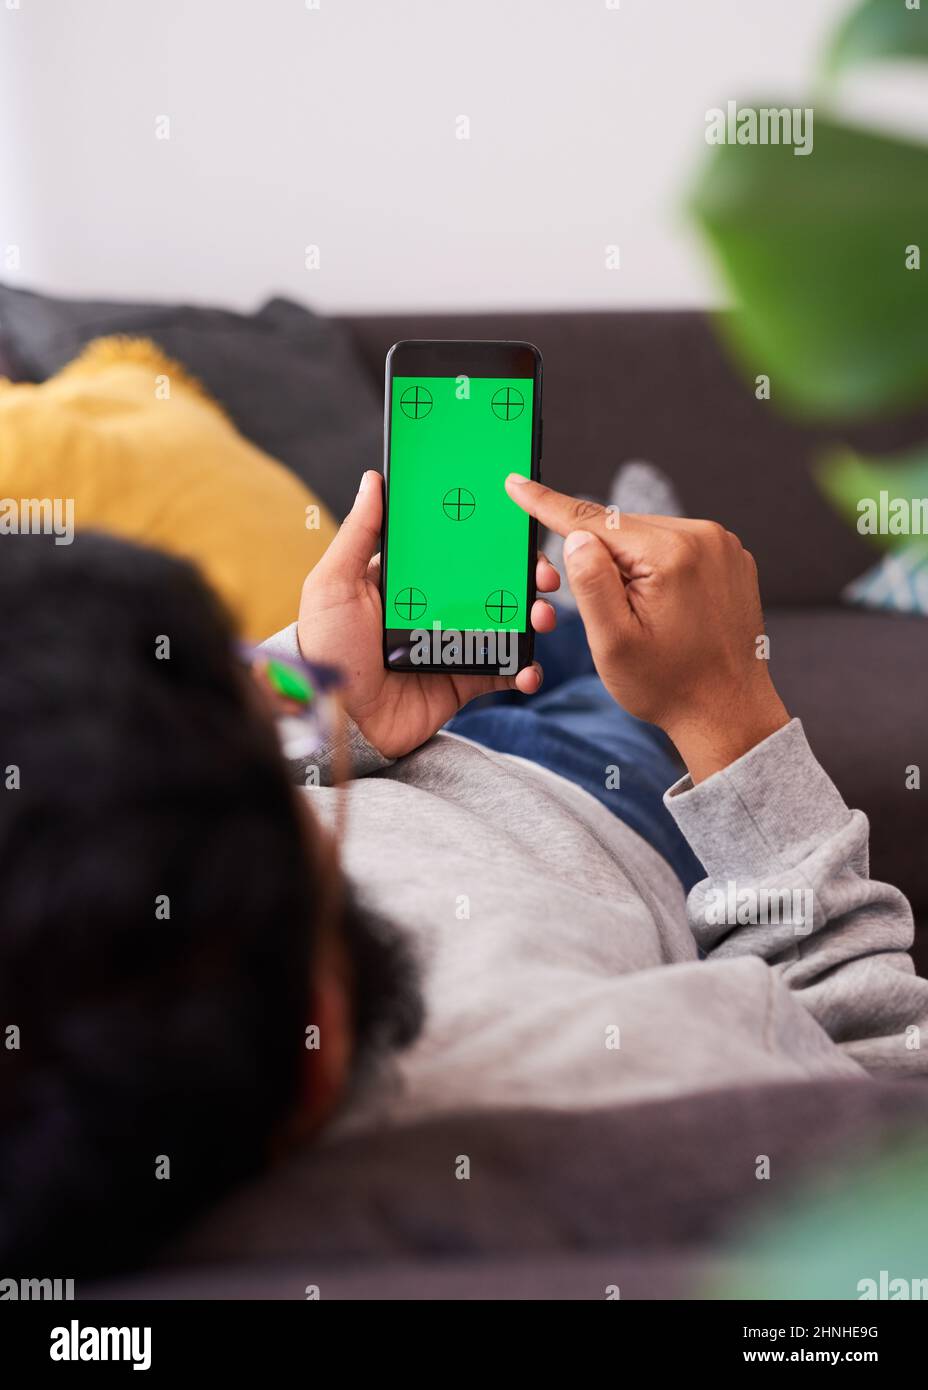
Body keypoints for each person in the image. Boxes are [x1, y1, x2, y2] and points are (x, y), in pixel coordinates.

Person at [1, 469, 924, 1278]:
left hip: (388, 721)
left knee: (524, 626)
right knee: (598, 677)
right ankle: (617, 561)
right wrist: (727, 707)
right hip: (588, 796)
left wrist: (323, 696)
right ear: (320, 1027)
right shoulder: (658, 1065)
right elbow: (884, 1089)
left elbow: (151, 753)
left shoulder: (149, 1010)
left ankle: (585, 585)